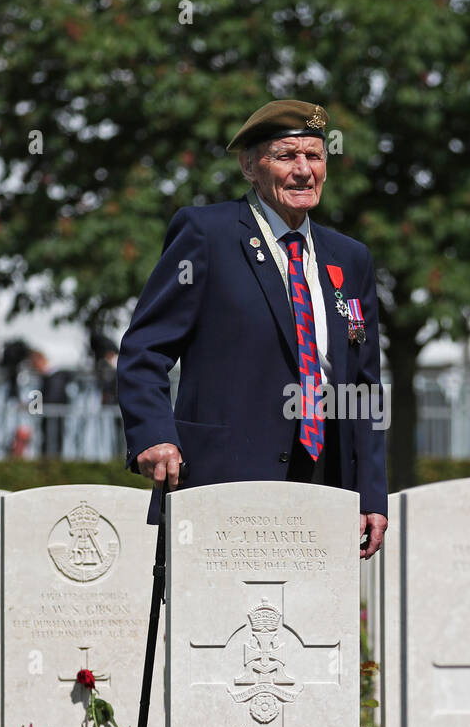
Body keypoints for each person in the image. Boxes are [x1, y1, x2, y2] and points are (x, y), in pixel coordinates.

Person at [117, 100, 388, 558]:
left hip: (326, 483)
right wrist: (153, 434)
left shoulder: (350, 258)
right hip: (223, 479)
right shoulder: (206, 234)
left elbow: (363, 387)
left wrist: (371, 491)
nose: (304, 170)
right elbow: (145, 349)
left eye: (315, 156)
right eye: (286, 156)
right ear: (250, 166)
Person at [28, 349, 72, 458]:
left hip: (54, 419)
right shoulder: (50, 377)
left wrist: (34, 405)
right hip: (51, 420)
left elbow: (52, 398)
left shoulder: (55, 377)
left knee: (53, 446)